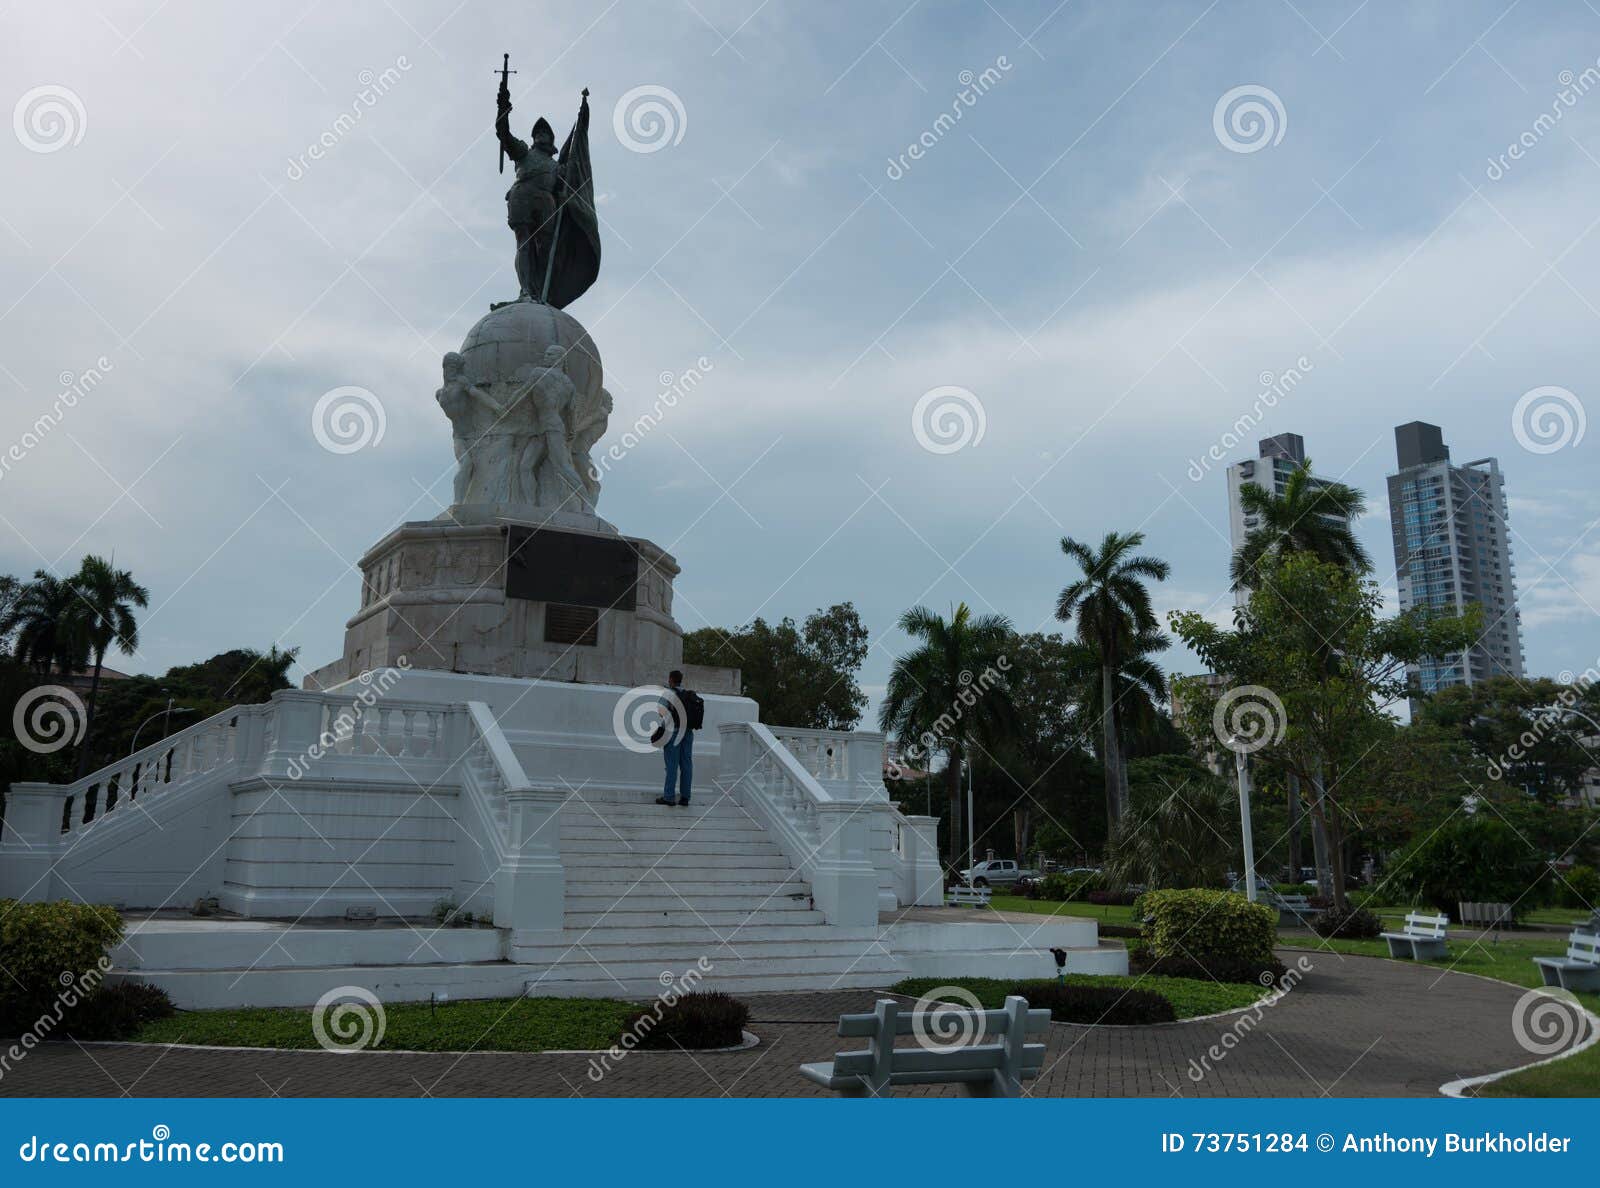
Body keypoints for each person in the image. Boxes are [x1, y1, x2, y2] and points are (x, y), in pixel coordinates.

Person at [653, 670, 702, 807]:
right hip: (688, 733)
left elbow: (661, 711)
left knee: (671, 765)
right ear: (681, 680)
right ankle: (685, 797)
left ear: (670, 679)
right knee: (686, 764)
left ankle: (669, 797)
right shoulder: (689, 694)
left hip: (673, 733)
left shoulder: (669, 693)